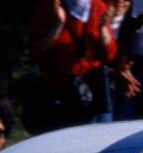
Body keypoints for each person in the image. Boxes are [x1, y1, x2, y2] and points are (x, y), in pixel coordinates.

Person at [27, 0, 125, 130]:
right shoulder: (49, 7)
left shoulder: (98, 7)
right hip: (62, 90)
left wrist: (103, 28)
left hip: (95, 88)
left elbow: (109, 55)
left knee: (102, 137)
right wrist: (59, 24)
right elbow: (37, 52)